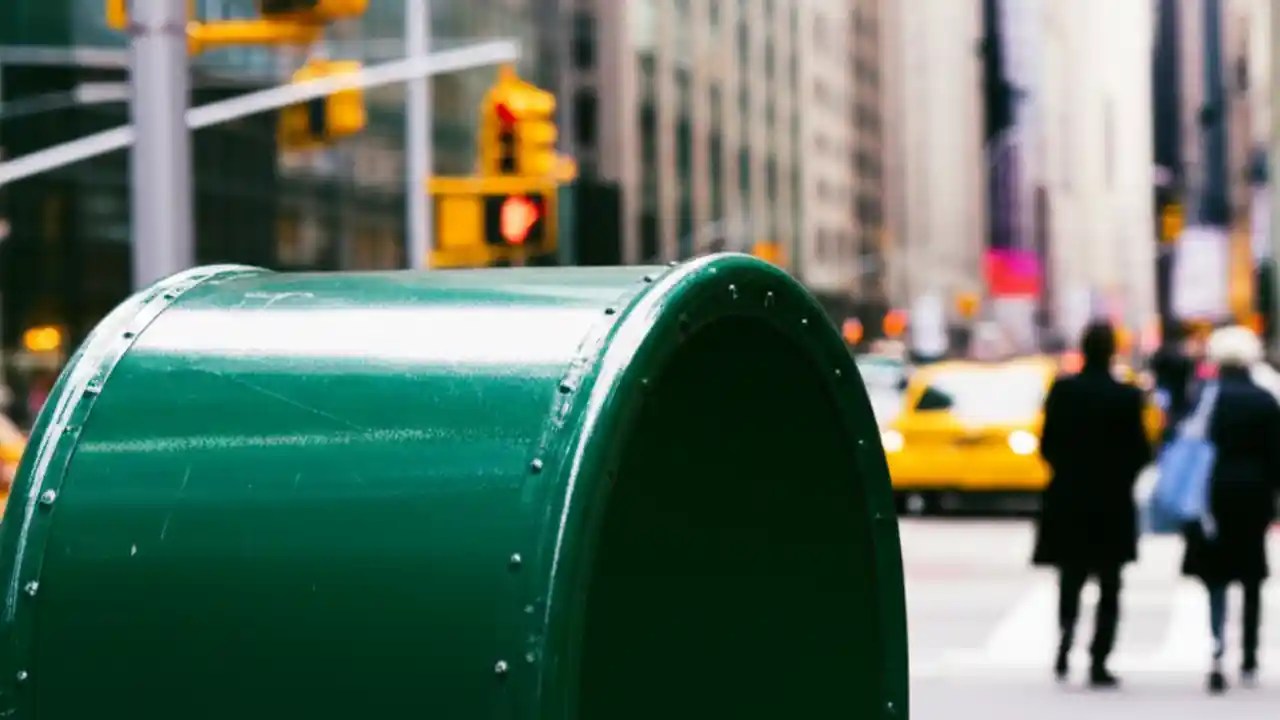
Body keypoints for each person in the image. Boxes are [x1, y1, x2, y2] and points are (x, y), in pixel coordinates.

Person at [1032, 322, 1152, 688]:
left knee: (1070, 577)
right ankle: (1099, 659)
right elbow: (1142, 451)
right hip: (1112, 500)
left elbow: (1047, 445)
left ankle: (1065, 642)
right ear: (1112, 350)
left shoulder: (1064, 391)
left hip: (1069, 497)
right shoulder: (1127, 396)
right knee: (1111, 584)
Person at [1180, 325, 1280, 694]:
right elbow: (1275, 456)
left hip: (1213, 494)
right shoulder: (1264, 400)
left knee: (1217, 575)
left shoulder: (1206, 397)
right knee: (1252, 574)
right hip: (1254, 495)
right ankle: (1250, 655)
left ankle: (1218, 648)